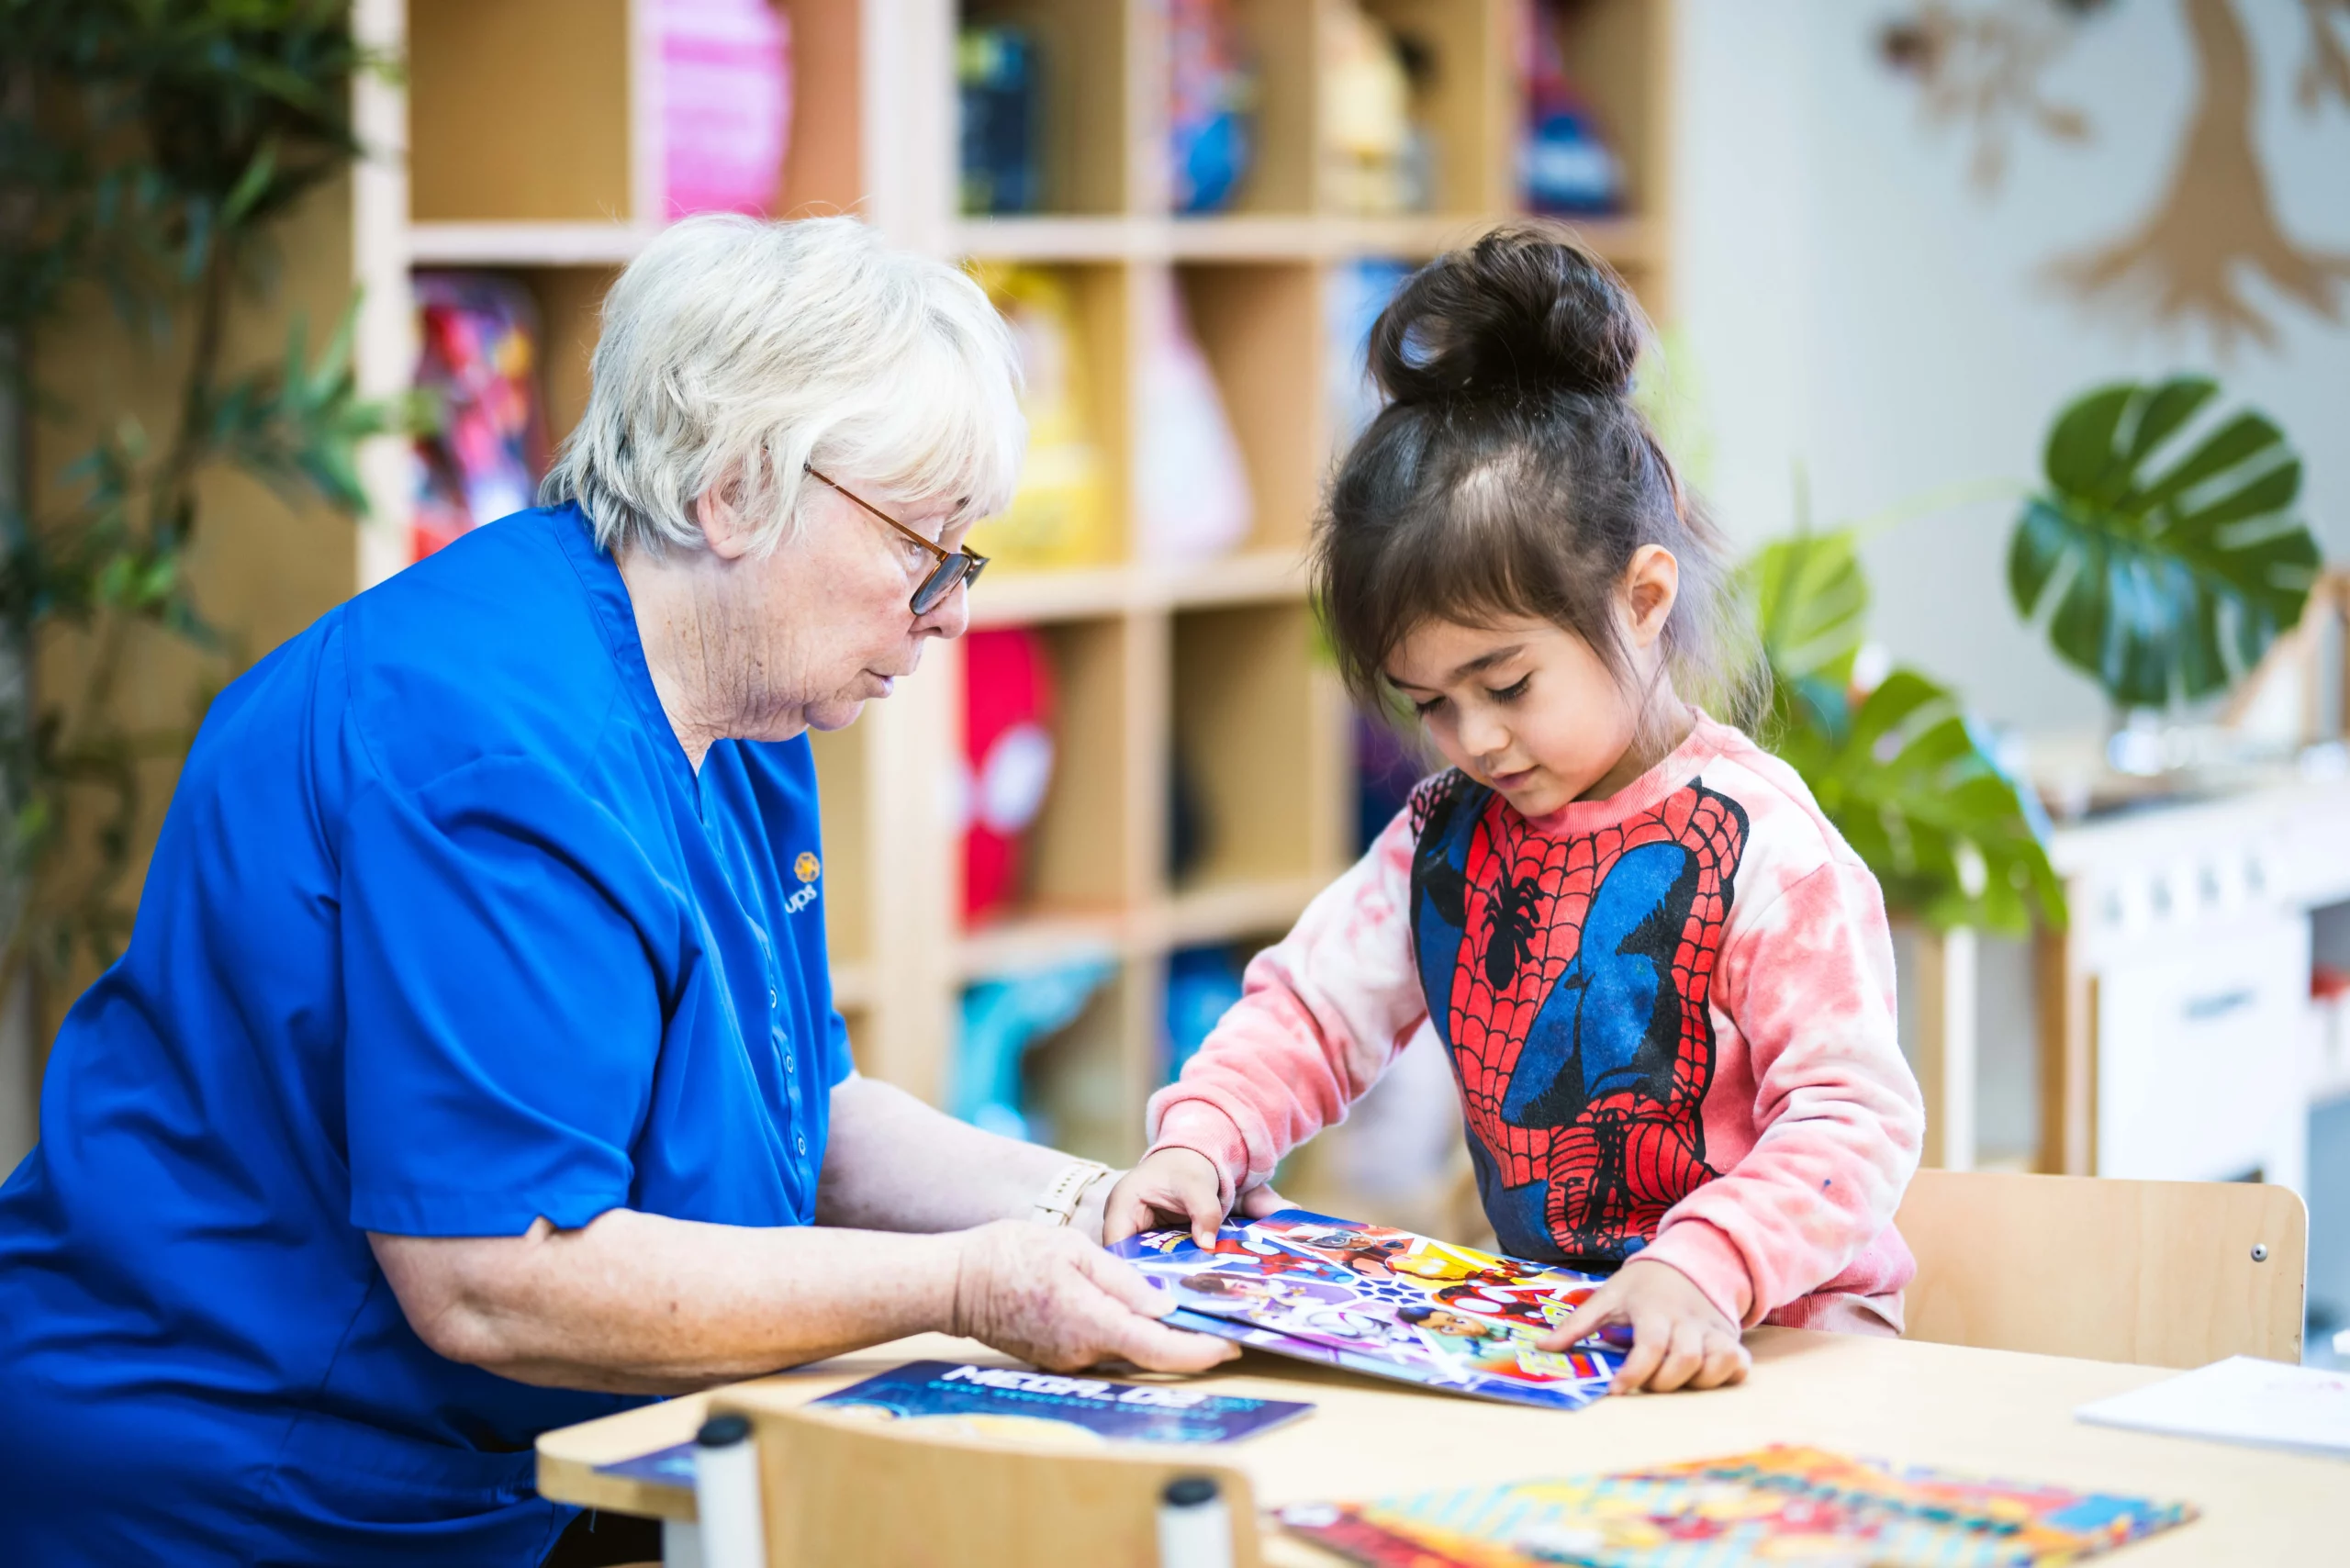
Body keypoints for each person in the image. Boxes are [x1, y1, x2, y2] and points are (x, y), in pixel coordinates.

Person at [0, 214, 1233, 1568]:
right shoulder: (487, 748)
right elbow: (499, 1277)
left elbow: (799, 1113)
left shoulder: (736, 701)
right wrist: (965, 1289)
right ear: (730, 488)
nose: (948, 611)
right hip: (233, 1477)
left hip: (488, 1469)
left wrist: (1085, 1211)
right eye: (921, 545)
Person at [1105, 221, 1925, 1398]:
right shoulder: (1446, 832)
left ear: (1643, 600)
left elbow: (1854, 1120)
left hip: (1778, 1343)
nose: (1473, 739)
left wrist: (1703, 1266)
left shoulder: (1772, 856)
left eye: (1506, 685)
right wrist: (1204, 1135)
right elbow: (1311, 1009)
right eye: (1430, 701)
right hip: (1560, 1345)